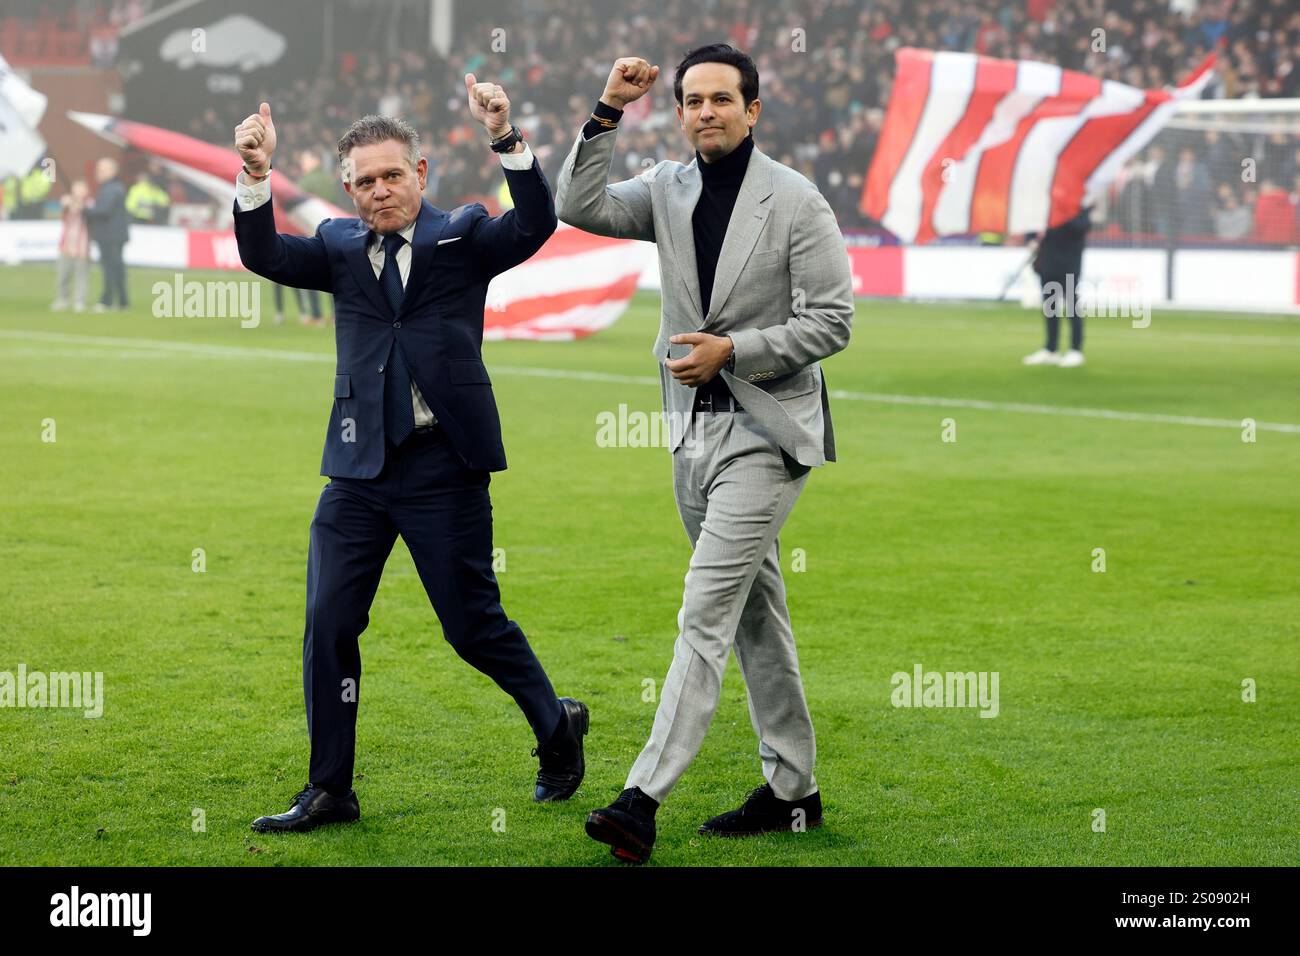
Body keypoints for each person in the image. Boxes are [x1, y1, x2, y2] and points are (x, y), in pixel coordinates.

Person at [232, 82, 589, 835]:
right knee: (328, 622)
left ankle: (557, 727)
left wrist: (505, 135)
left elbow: (536, 222)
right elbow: (262, 252)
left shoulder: (462, 235)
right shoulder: (334, 246)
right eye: (364, 180)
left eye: (392, 175)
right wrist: (258, 173)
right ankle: (330, 788)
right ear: (347, 188)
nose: (380, 190)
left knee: (472, 628)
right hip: (357, 474)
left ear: (421, 172)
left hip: (443, 468)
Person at [556, 45, 853, 864]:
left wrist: (734, 348)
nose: (706, 112)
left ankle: (640, 797)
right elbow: (577, 205)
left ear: (753, 110)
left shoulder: (799, 201)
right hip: (689, 432)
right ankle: (794, 793)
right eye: (692, 100)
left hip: (767, 432)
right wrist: (607, 108)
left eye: (722, 99)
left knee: (706, 609)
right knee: (757, 614)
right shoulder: (665, 187)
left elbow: (832, 322)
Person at [1022, 207, 1090, 368]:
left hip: (1069, 263)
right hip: (1047, 263)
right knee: (1050, 308)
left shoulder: (1077, 205)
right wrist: (1031, 240)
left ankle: (1075, 350)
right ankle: (1051, 349)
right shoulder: (1046, 204)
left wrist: (1058, 219)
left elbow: (1081, 228)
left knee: (1072, 307)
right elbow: (1032, 224)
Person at [82, 157, 130, 312]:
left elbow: (103, 211)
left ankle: (107, 301)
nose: (98, 172)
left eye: (101, 169)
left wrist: (85, 210)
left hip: (110, 235)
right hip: (115, 235)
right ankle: (122, 301)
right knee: (116, 268)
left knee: (110, 268)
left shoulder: (111, 189)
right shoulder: (115, 187)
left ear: (112, 171)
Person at [52, 179, 91, 313]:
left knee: (81, 275)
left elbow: (90, 215)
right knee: (63, 275)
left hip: (82, 246)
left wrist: (80, 205)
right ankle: (62, 299)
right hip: (66, 246)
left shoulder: (90, 204)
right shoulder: (67, 202)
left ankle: (79, 301)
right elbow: (62, 216)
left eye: (81, 188)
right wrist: (67, 205)